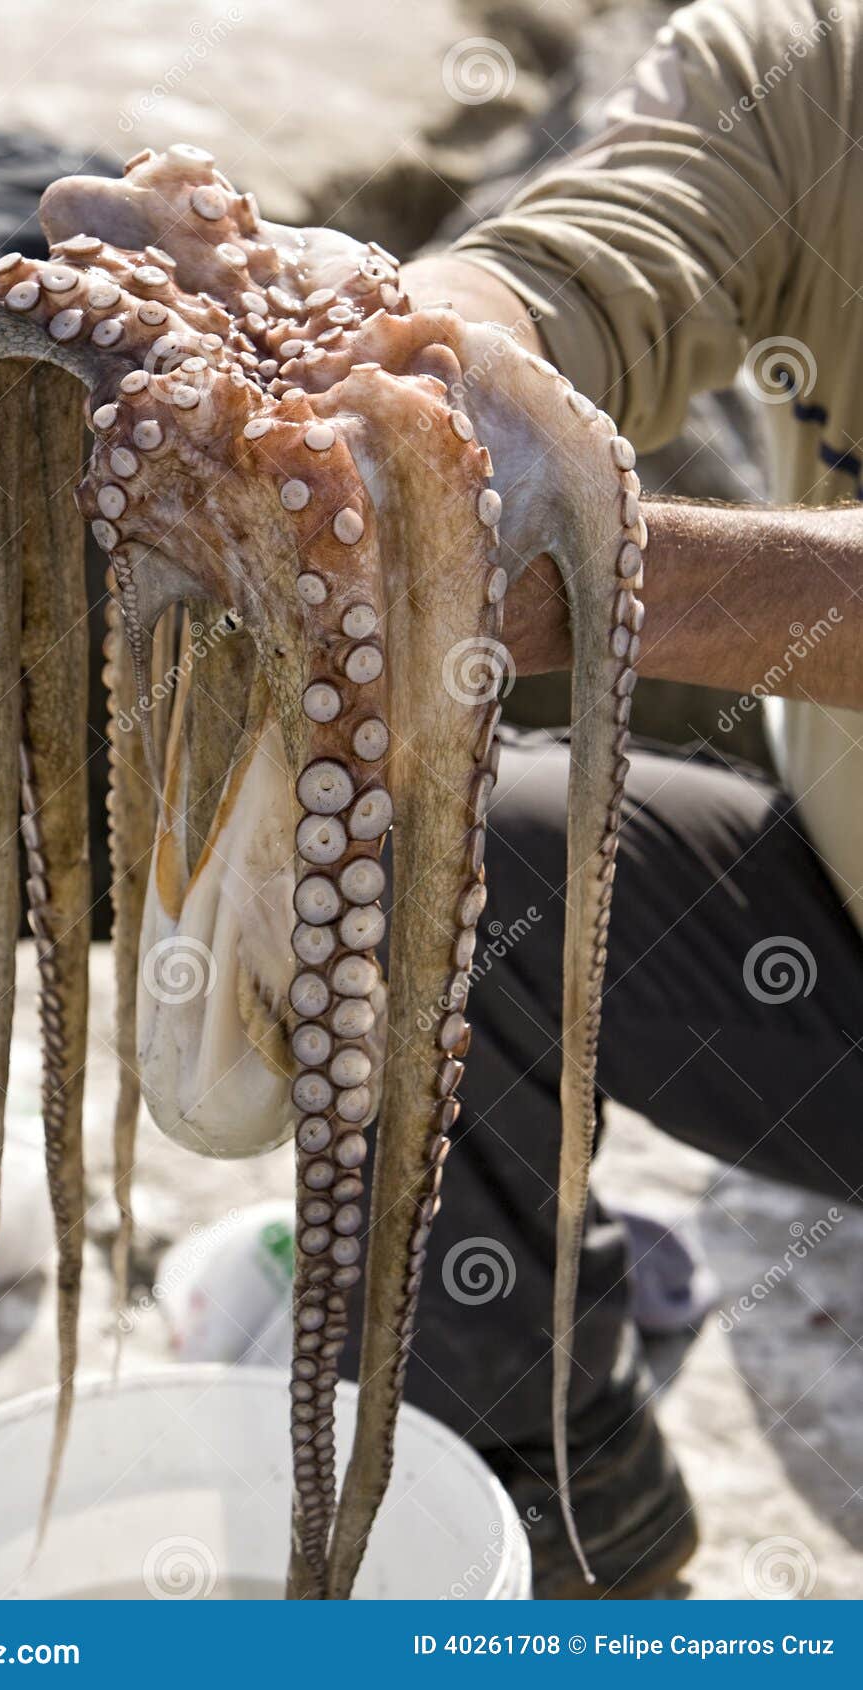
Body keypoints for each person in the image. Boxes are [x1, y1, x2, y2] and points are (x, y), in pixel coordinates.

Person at [375, 0, 863, 1596]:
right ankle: (566, 1497)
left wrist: (629, 575)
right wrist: (425, 362)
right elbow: (600, 251)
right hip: (839, 938)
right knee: (439, 869)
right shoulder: (812, 63)